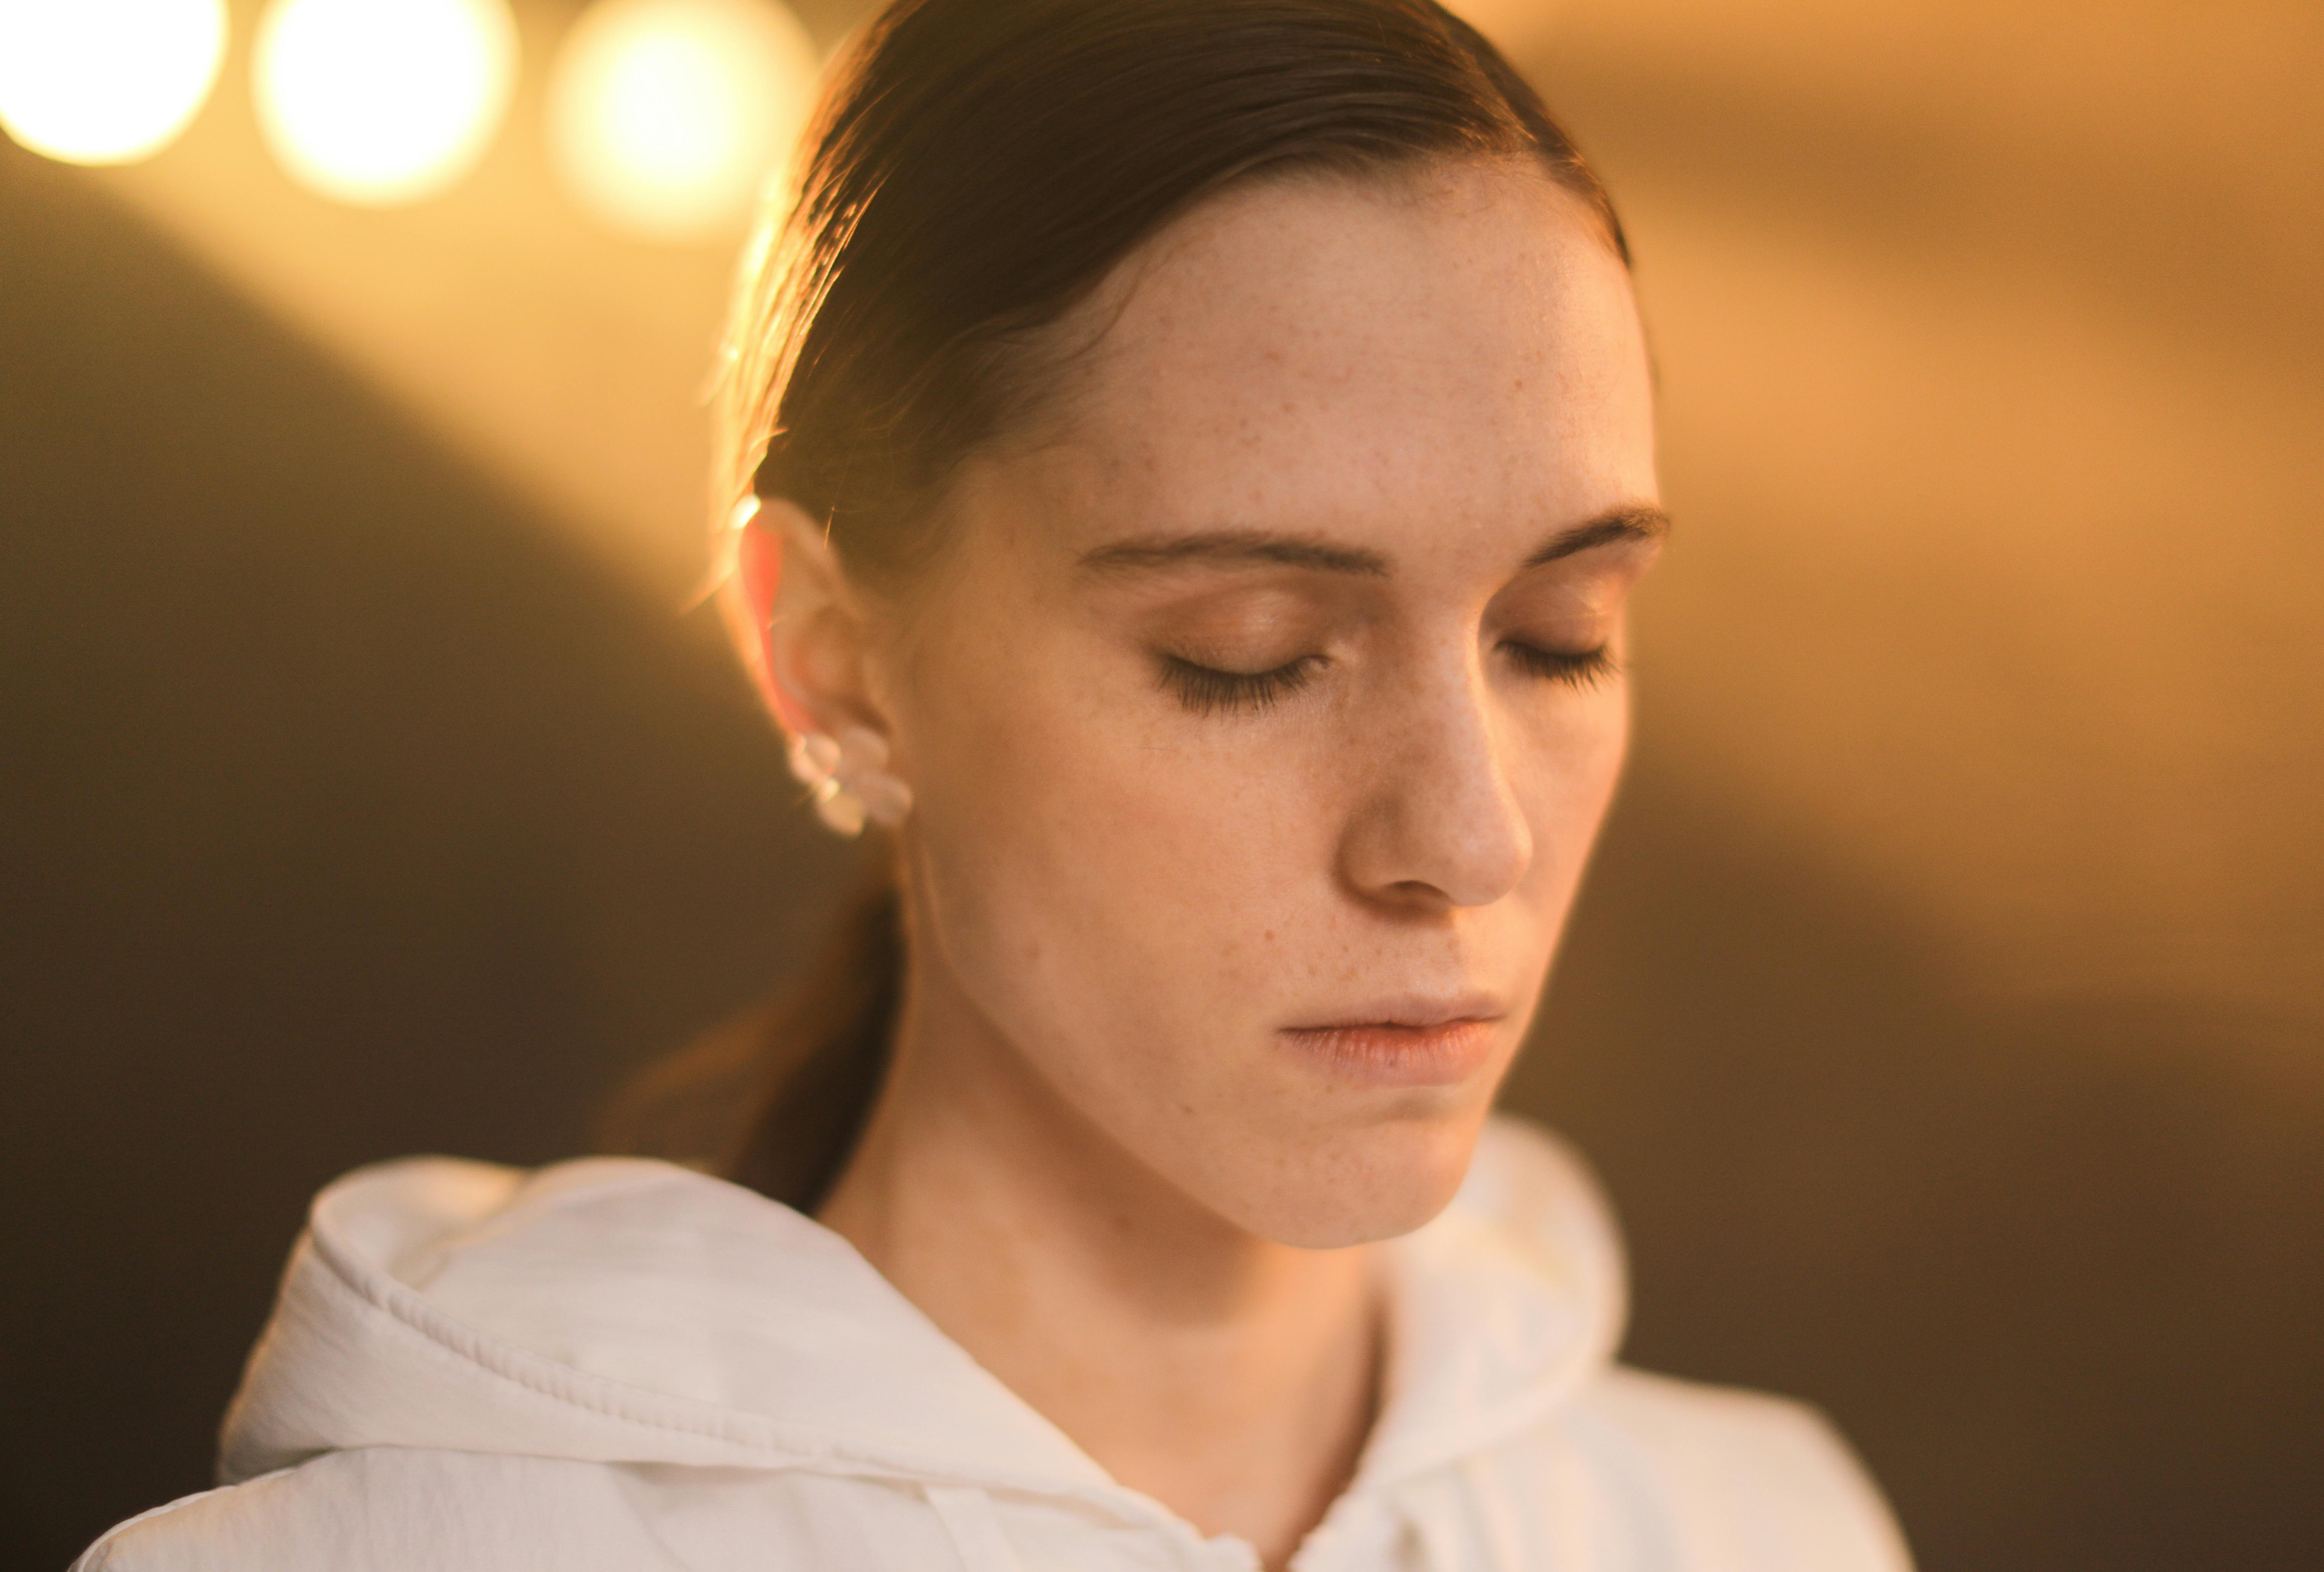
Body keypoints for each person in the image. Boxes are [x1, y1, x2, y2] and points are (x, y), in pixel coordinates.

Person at [77, 0, 1913, 1567]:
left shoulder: (1759, 1530)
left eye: (1559, 632)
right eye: (1250, 651)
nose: (1466, 835)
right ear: (833, 657)